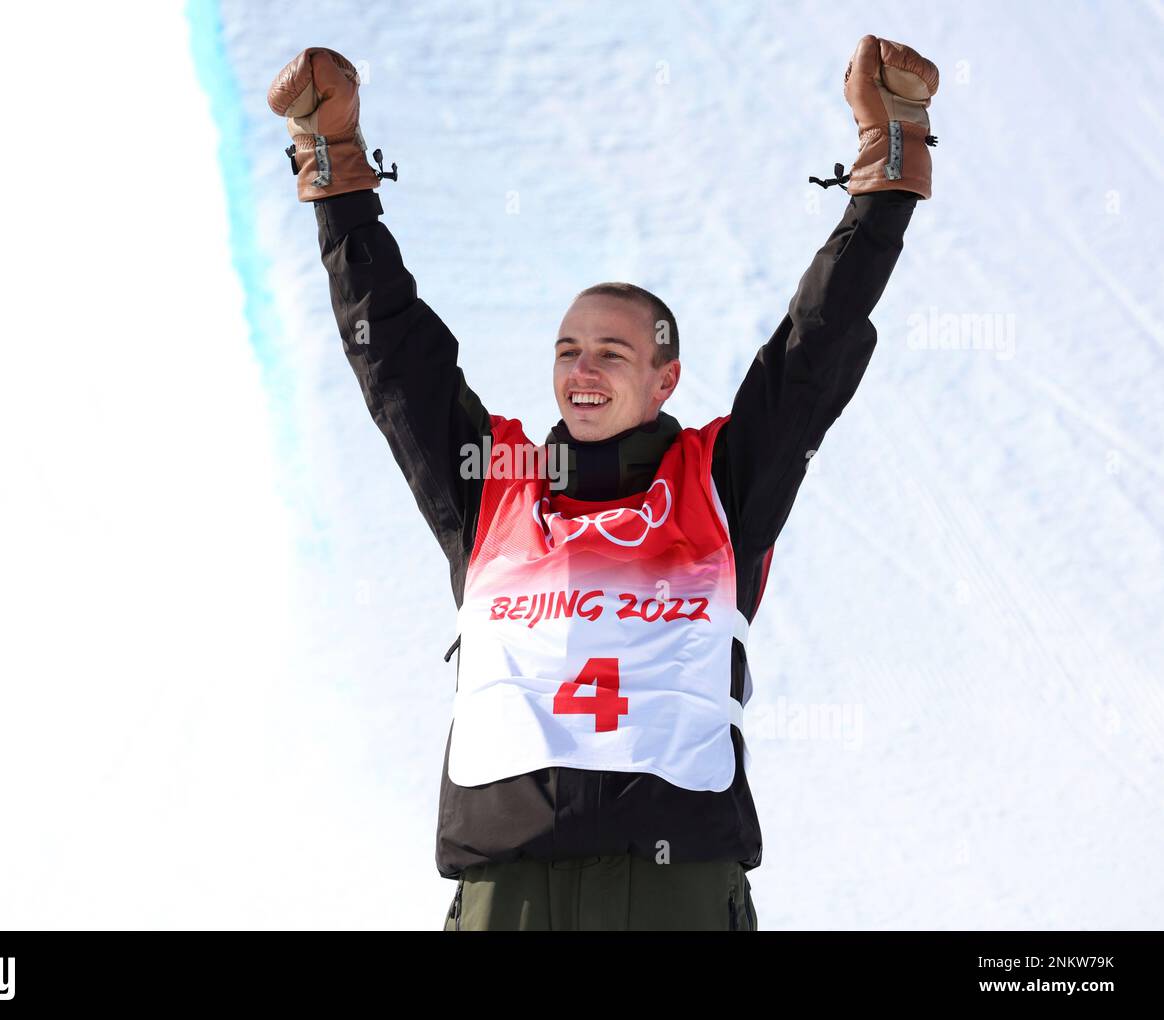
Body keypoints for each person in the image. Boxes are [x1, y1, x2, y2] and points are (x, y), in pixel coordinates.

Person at [268, 36, 939, 931]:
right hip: (509, 895)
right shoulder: (493, 489)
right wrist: (335, 170)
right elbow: (394, 352)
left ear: (665, 379)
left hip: (675, 894)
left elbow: (813, 350)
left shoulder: (721, 487)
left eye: (612, 352)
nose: (583, 369)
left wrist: (888, 171)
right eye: (568, 350)